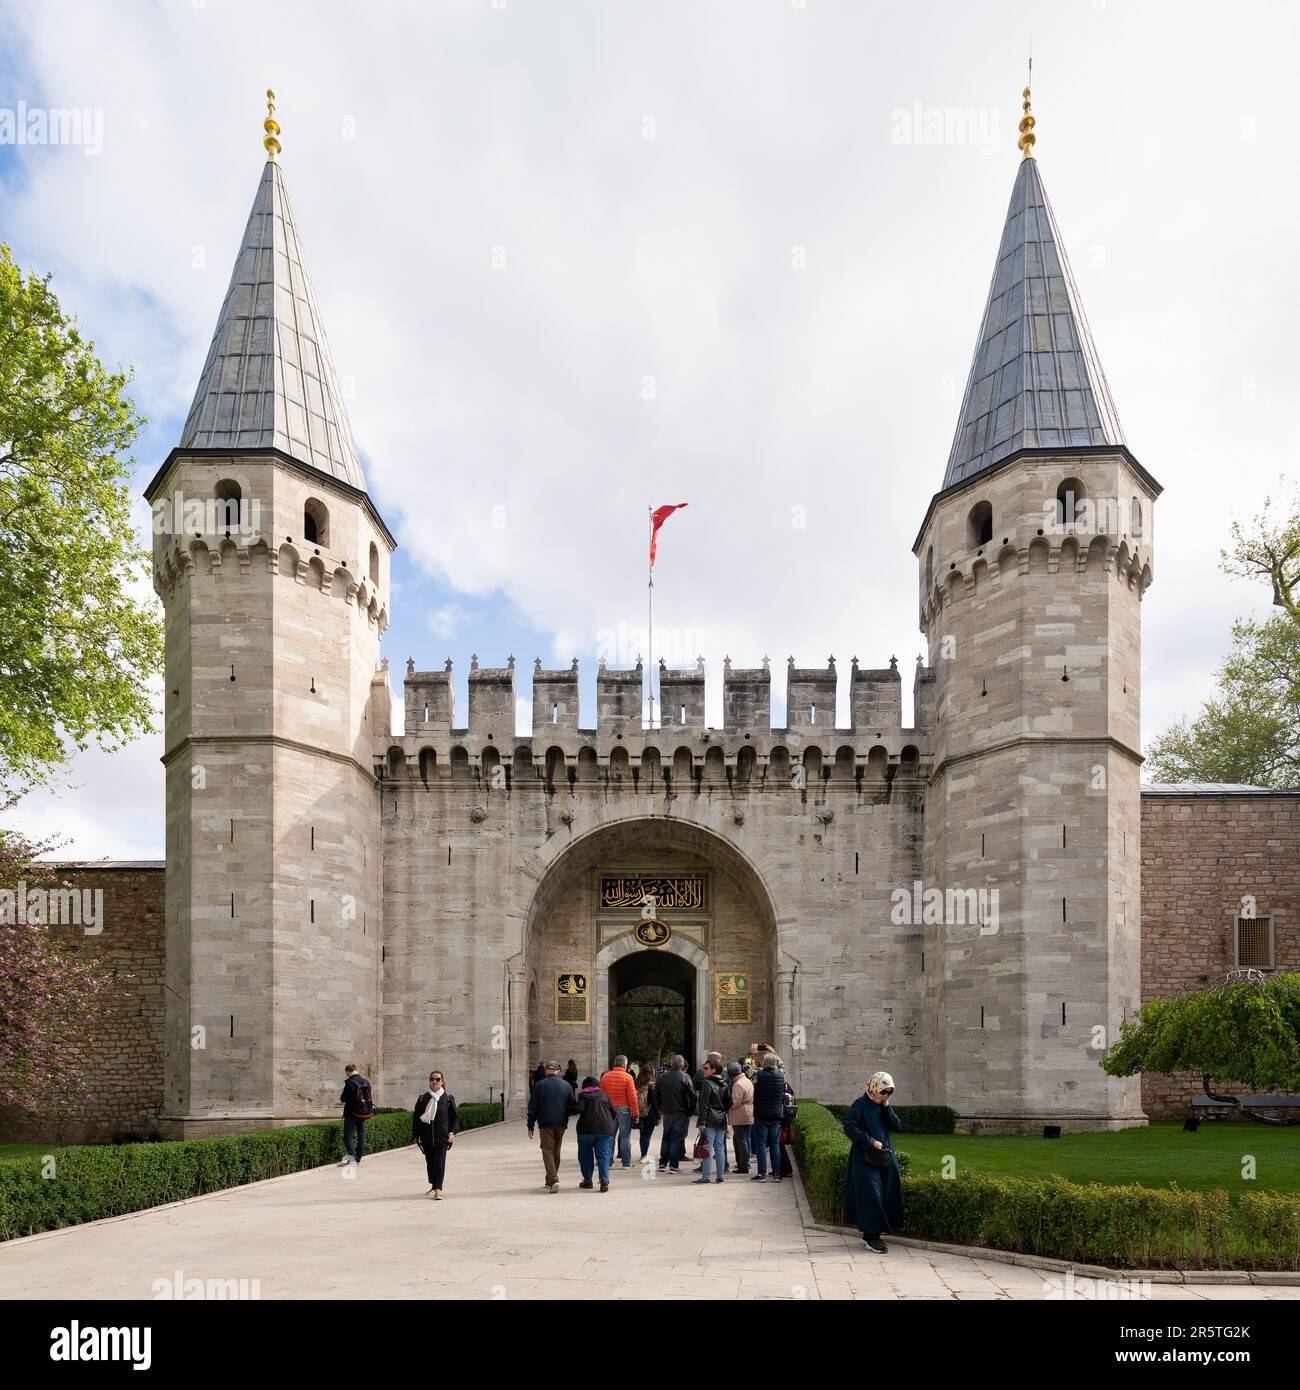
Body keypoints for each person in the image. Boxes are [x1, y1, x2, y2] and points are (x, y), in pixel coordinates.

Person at [843, 1071, 903, 1253]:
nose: (887, 1095)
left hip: (885, 1157)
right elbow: (849, 1126)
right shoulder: (860, 1105)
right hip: (865, 1158)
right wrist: (869, 1141)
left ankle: (880, 1230)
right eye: (884, 1091)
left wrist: (887, 1108)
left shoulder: (883, 1106)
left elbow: (897, 1126)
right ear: (874, 1087)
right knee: (871, 1194)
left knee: (887, 1192)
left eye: (890, 1092)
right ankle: (871, 1236)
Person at [527, 1059, 579, 1193]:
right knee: (556, 1150)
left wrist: (530, 1125)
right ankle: (549, 1179)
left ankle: (553, 1179)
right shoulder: (566, 1085)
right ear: (558, 1071)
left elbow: (532, 1107)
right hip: (561, 1123)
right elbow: (572, 1105)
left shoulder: (539, 1085)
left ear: (546, 1071)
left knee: (547, 1150)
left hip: (545, 1123)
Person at [412, 1068, 458, 1199]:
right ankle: (433, 1185)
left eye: (438, 1079)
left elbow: (454, 1118)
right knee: (430, 1163)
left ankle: (438, 1188)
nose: (435, 1081)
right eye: (432, 1079)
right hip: (426, 1138)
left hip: (442, 1138)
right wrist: (416, 1135)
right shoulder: (423, 1098)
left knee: (440, 1163)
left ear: (442, 1082)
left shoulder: (448, 1099)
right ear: (429, 1082)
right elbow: (416, 1118)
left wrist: (452, 1133)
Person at [655, 1055, 697, 1173]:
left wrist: (660, 1107)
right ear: (682, 1065)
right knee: (675, 1138)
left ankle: (663, 1163)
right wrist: (690, 1111)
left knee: (666, 1136)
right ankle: (673, 1165)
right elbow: (693, 1096)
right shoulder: (685, 1077)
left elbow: (655, 1094)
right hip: (681, 1111)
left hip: (667, 1111)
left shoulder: (662, 1077)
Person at [693, 1058, 731, 1185]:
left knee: (708, 1148)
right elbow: (729, 1103)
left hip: (709, 1119)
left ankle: (706, 1176)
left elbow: (703, 1105)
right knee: (720, 1148)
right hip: (721, 1118)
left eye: (706, 1068)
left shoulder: (707, 1083)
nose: (703, 1070)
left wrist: (701, 1122)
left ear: (714, 1070)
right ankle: (720, 1176)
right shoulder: (725, 1083)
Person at [575, 1075, 616, 1191]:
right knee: (603, 1155)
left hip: (585, 1130)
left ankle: (587, 1180)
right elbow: (613, 1112)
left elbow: (579, 1109)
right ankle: (604, 1181)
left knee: (585, 1156)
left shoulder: (582, 1095)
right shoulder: (605, 1095)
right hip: (604, 1130)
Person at [750, 1052, 787, 1182]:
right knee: (775, 1145)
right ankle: (777, 1174)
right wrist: (775, 1053)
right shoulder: (781, 1075)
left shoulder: (757, 1075)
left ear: (764, 1063)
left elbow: (746, 1069)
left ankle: (761, 1174)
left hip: (761, 1114)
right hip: (776, 1115)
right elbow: (782, 1065)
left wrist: (752, 1053)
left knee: (760, 1145)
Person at [599, 1054, 640, 1168]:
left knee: (609, 1136)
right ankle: (626, 1163)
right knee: (625, 1136)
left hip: (609, 1110)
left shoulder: (605, 1077)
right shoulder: (628, 1077)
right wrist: (636, 1113)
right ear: (625, 1065)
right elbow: (632, 1097)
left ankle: (608, 1162)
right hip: (624, 1110)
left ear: (614, 1064)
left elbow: (601, 1095)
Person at [339, 1063, 374, 1167]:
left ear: (348, 1071)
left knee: (348, 1136)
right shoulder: (366, 1081)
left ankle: (352, 1158)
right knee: (361, 1135)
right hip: (363, 1112)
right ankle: (358, 1158)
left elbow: (343, 1098)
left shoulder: (350, 1082)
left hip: (351, 1113)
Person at [726, 1060, 753, 1174]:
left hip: (740, 1115)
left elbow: (735, 1103)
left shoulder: (738, 1084)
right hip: (748, 1113)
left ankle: (743, 1165)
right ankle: (745, 1163)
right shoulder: (747, 1080)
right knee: (745, 1139)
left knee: (740, 1141)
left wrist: (726, 1103)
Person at [635, 1064, 660, 1162]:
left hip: (639, 1113)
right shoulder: (652, 1085)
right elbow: (655, 1102)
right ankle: (644, 1156)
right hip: (650, 1114)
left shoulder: (636, 1084)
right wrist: (658, 1116)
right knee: (647, 1135)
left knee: (642, 1135)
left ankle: (643, 1154)